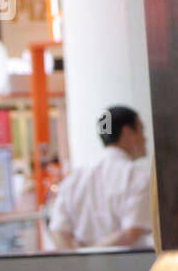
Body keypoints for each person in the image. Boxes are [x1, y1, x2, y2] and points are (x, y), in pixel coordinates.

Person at [48, 105, 153, 250]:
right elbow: (132, 232)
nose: (145, 139)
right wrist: (90, 256)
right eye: (142, 132)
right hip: (130, 268)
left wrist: (79, 259)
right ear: (127, 132)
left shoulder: (75, 178)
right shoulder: (138, 176)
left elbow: (58, 230)